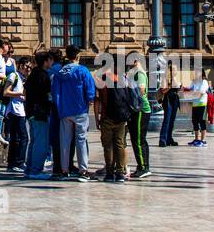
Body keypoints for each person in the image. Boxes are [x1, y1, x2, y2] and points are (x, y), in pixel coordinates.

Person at [51, 45, 95, 181]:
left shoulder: (60, 73)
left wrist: (59, 108)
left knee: (65, 141)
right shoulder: (83, 71)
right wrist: (90, 100)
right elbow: (90, 89)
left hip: (64, 111)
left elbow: (55, 92)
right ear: (77, 56)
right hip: (80, 110)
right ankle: (83, 170)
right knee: (81, 140)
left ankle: (64, 170)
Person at [95, 68, 140, 183]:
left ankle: (109, 173)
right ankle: (120, 172)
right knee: (119, 144)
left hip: (106, 117)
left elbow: (97, 101)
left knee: (108, 146)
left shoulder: (102, 79)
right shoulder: (122, 78)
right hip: (120, 117)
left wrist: (96, 118)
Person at [23, 52, 54, 179]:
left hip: (30, 112)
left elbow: (26, 92)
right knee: (41, 143)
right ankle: (36, 170)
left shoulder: (33, 74)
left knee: (34, 142)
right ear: (45, 61)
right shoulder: (42, 76)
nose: (51, 63)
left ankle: (29, 169)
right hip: (39, 112)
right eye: (50, 60)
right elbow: (46, 95)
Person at [127, 56, 152, 178]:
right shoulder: (135, 73)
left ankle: (143, 167)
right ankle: (143, 166)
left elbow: (141, 90)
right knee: (140, 139)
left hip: (141, 109)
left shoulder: (140, 73)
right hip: (138, 109)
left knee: (137, 140)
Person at [3, 56, 29, 172]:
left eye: (30, 67)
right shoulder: (14, 76)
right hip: (14, 110)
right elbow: (6, 92)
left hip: (21, 110)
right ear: (21, 66)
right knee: (23, 137)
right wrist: (20, 93)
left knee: (16, 138)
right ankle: (19, 162)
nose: (28, 69)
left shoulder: (24, 78)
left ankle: (12, 163)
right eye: (27, 66)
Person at [186, 70, 211, 146]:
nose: (196, 73)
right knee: (195, 122)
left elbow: (201, 92)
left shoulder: (204, 82)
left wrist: (193, 93)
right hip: (195, 104)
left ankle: (203, 140)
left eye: (198, 72)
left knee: (202, 122)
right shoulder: (194, 82)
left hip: (202, 104)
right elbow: (189, 90)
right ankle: (196, 139)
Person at [158, 70, 180, 147]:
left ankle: (169, 139)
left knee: (172, 121)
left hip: (175, 100)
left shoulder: (175, 78)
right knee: (166, 120)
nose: (176, 71)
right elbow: (163, 91)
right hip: (168, 101)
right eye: (174, 70)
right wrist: (170, 86)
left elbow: (177, 89)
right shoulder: (165, 79)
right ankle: (162, 140)